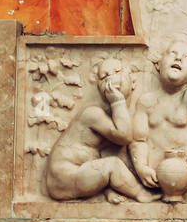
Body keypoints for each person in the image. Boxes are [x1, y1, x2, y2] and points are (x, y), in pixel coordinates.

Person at [45, 58, 159, 203]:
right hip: (63, 176)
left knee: (108, 161)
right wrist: (117, 101)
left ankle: (107, 191)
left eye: (117, 71)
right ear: (100, 87)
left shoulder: (116, 116)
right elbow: (124, 137)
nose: (112, 77)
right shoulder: (92, 113)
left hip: (75, 175)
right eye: (105, 76)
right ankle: (140, 193)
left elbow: (96, 158)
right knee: (113, 164)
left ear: (133, 81)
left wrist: (108, 190)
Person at [129, 37, 187, 202]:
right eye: (173, 53)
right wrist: (141, 166)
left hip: (184, 173)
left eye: (186, 57)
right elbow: (138, 139)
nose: (178, 58)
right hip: (155, 177)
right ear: (158, 64)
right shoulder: (146, 102)